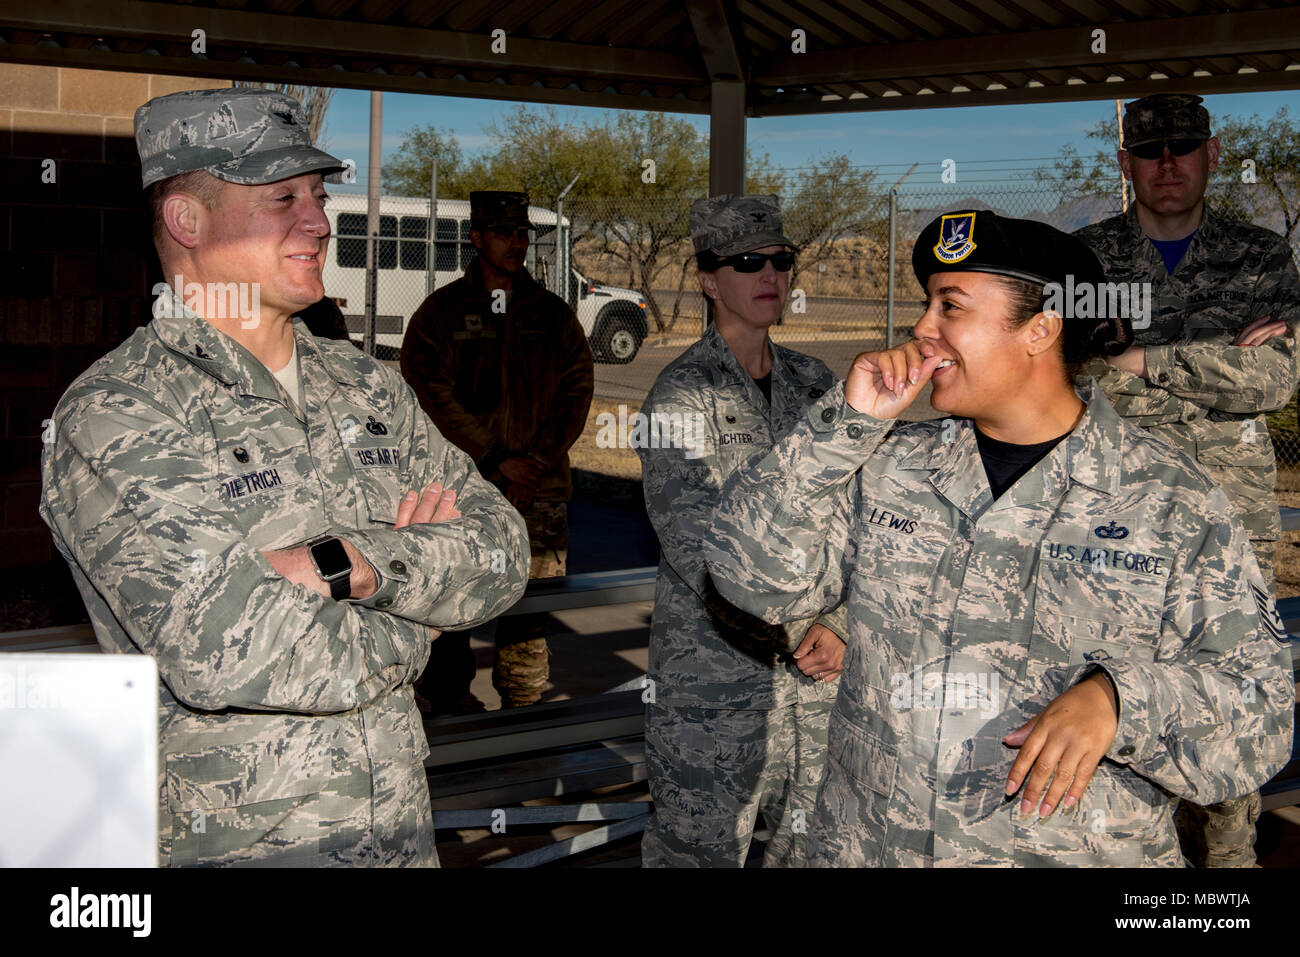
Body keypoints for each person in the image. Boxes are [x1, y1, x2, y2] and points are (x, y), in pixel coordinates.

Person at [704, 209, 1295, 866]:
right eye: (928, 303)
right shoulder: (887, 468)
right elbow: (742, 576)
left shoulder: (1170, 500)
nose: (921, 328)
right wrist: (842, 424)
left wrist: (1121, 701)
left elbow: (1261, 716)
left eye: (949, 306)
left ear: (1041, 329)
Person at [38, 89, 530, 867]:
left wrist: (360, 567)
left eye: (318, 194)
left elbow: (504, 550)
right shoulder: (117, 411)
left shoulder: (364, 386)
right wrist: (422, 617)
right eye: (282, 199)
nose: (319, 221)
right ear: (186, 221)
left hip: (400, 835)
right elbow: (221, 648)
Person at [1075, 93, 1300, 867]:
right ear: (1125, 163)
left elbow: (1276, 379)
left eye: (1182, 147)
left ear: (1210, 155)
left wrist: (1142, 361)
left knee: (1224, 722)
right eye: (1150, 150)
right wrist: (1215, 363)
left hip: (1228, 528)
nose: (1166, 164)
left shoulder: (1261, 256)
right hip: (1108, 523)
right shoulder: (1085, 260)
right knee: (1107, 706)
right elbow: (1061, 378)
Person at [637, 194, 849, 867]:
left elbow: (859, 520)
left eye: (782, 260)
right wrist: (798, 621)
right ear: (707, 280)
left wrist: (841, 619)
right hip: (713, 694)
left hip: (813, 694)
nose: (771, 275)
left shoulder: (817, 384)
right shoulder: (679, 395)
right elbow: (700, 550)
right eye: (747, 261)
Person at [401, 190, 593, 712]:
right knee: (449, 607)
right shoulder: (440, 314)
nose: (518, 243)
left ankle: (524, 725)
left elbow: (575, 394)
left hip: (539, 494)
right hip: (458, 494)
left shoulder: (553, 316)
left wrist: (534, 464)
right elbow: (428, 393)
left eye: (523, 234)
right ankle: (449, 720)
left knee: (527, 622)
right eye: (505, 233)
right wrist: (491, 459)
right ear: (477, 238)